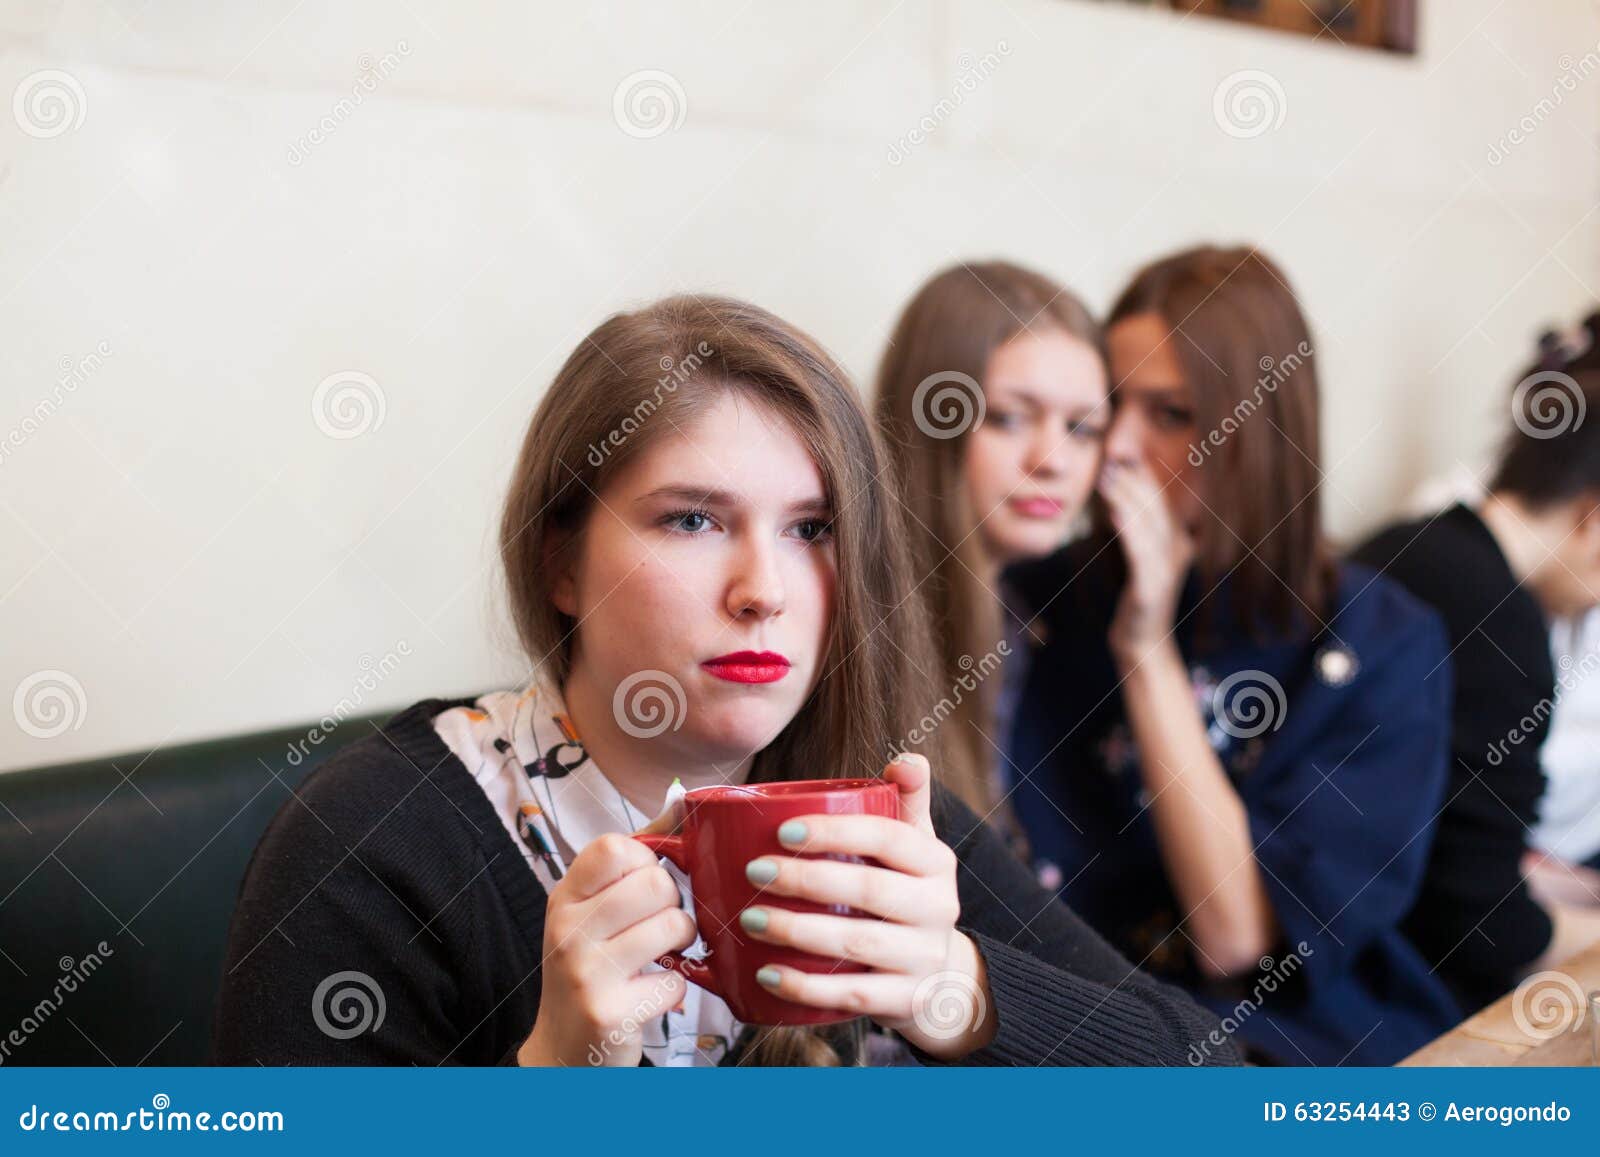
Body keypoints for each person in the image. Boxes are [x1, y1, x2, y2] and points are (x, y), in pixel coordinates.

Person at [211, 293, 1238, 1067]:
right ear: (559, 561)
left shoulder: (858, 813)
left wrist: (956, 987)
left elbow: (1218, 1076)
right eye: (692, 519)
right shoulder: (375, 838)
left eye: (811, 529)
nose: (764, 591)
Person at [1005, 245, 1461, 1065]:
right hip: (1073, 1031)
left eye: (1171, 414)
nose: (1117, 448)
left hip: (1285, 1050)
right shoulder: (1043, 596)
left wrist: (1145, 652)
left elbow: (1235, 935)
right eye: (1114, 406)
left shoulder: (1382, 639)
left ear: (1257, 433)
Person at [1353, 360, 1600, 1013]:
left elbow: (1446, 830)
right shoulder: (1508, 635)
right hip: (1384, 978)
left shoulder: (1401, 543)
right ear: (1592, 518)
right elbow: (1483, 929)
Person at [873, 261, 1108, 830]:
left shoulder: (1031, 620)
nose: (1051, 462)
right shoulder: (860, 622)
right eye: (1008, 418)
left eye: (1082, 429)